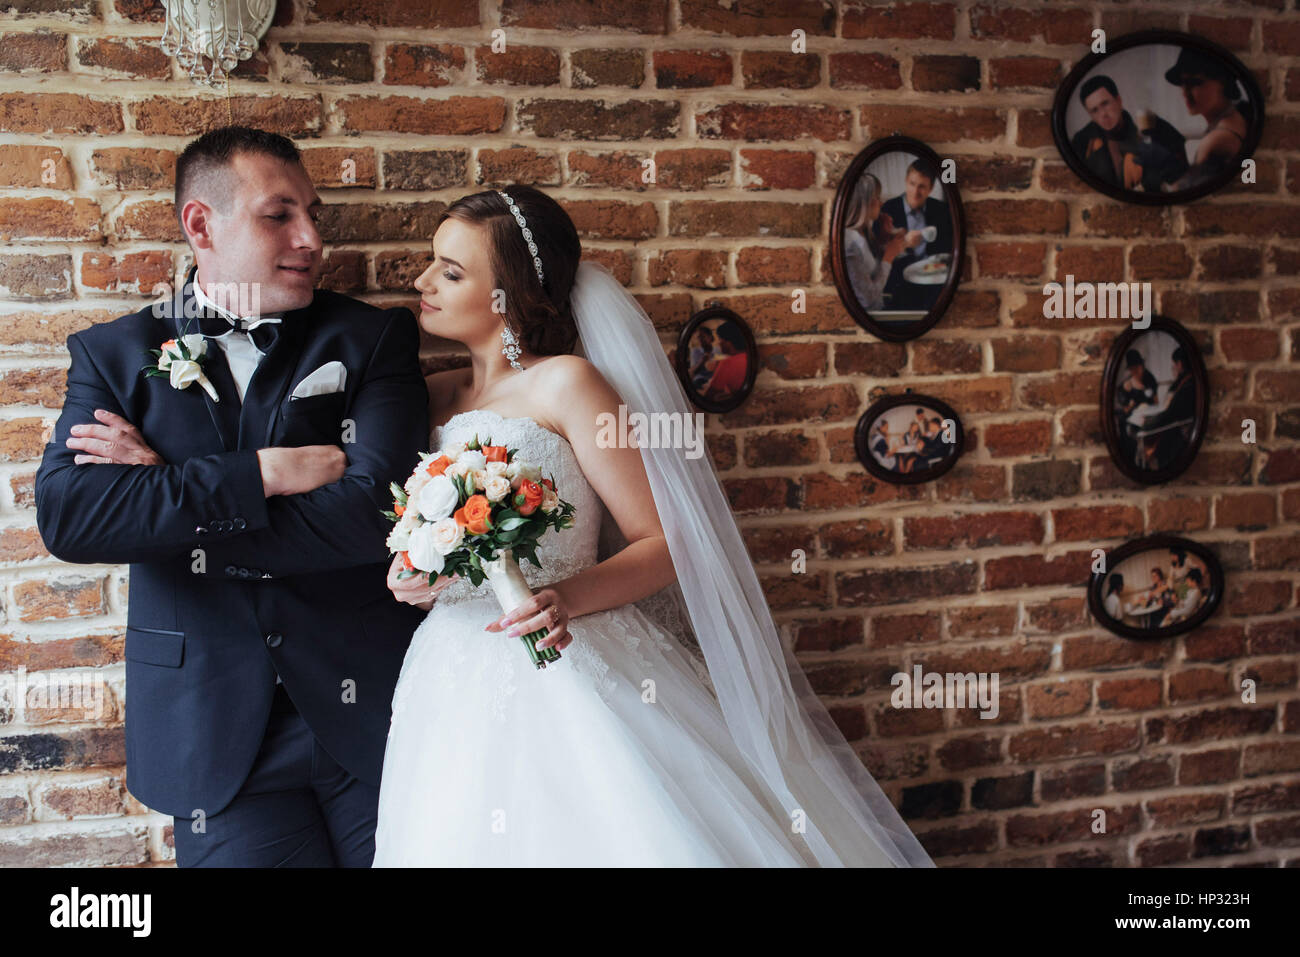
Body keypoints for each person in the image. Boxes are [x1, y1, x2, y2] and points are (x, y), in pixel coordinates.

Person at [377, 186, 933, 866]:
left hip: (569, 661)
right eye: (431, 263)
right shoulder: (432, 397)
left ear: (511, 294)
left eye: (451, 271)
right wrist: (416, 569)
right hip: (449, 674)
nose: (422, 281)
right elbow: (437, 535)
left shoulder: (568, 385)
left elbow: (667, 542)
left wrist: (566, 598)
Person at [33, 127, 430, 866]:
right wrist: (262, 476)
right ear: (200, 224)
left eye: (312, 213)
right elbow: (73, 519)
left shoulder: (371, 340)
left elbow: (375, 514)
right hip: (212, 734)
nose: (311, 237)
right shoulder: (114, 355)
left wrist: (160, 488)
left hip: (374, 712)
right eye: (279, 214)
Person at [1069, 73, 1188, 192]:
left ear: (1118, 100)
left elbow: (1183, 181)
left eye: (1105, 104)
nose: (1103, 114)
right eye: (1095, 110)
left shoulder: (1155, 128)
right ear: (1090, 115)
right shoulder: (1082, 142)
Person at [1163, 47, 1251, 191]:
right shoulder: (1232, 118)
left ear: (1223, 82)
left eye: (1195, 82)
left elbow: (1185, 192)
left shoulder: (1218, 138)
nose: (1185, 92)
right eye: (1182, 83)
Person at [880, 158, 952, 311]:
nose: (915, 192)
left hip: (935, 284)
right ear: (906, 181)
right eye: (912, 184)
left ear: (931, 188)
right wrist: (904, 243)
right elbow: (878, 252)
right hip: (900, 284)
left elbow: (949, 246)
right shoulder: (888, 209)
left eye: (922, 187)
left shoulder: (941, 209)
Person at [842, 172, 914, 312]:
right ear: (864, 202)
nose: (881, 203)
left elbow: (872, 271)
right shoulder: (850, 243)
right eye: (877, 198)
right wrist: (889, 256)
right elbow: (868, 299)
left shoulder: (863, 233)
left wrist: (885, 239)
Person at [1139, 347, 1197, 470]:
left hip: (1176, 433)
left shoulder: (1188, 386)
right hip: (1172, 425)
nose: (1173, 369)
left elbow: (1170, 414)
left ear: (1179, 364)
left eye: (1174, 365)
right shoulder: (1185, 382)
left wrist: (1148, 422)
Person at [700, 323, 750, 402]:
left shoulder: (727, 363)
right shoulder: (749, 356)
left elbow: (709, 396)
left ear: (728, 342)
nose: (719, 343)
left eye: (720, 339)